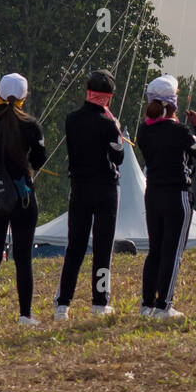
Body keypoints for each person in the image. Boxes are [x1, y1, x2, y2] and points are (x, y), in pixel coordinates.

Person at [0, 72, 47, 327]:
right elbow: (39, 160)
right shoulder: (31, 125)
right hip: (23, 198)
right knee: (23, 257)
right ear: (24, 97)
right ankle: (25, 314)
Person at [135, 74, 196, 321]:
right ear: (173, 102)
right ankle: (164, 305)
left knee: (155, 250)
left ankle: (147, 305)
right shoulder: (178, 131)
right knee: (173, 252)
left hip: (153, 194)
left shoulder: (144, 130)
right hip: (177, 194)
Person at [54, 69, 125, 321]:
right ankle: (99, 302)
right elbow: (119, 156)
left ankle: (63, 304)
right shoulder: (108, 124)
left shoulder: (71, 119)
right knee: (103, 247)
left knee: (75, 246)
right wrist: (115, 127)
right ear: (108, 98)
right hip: (105, 188)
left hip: (80, 187)